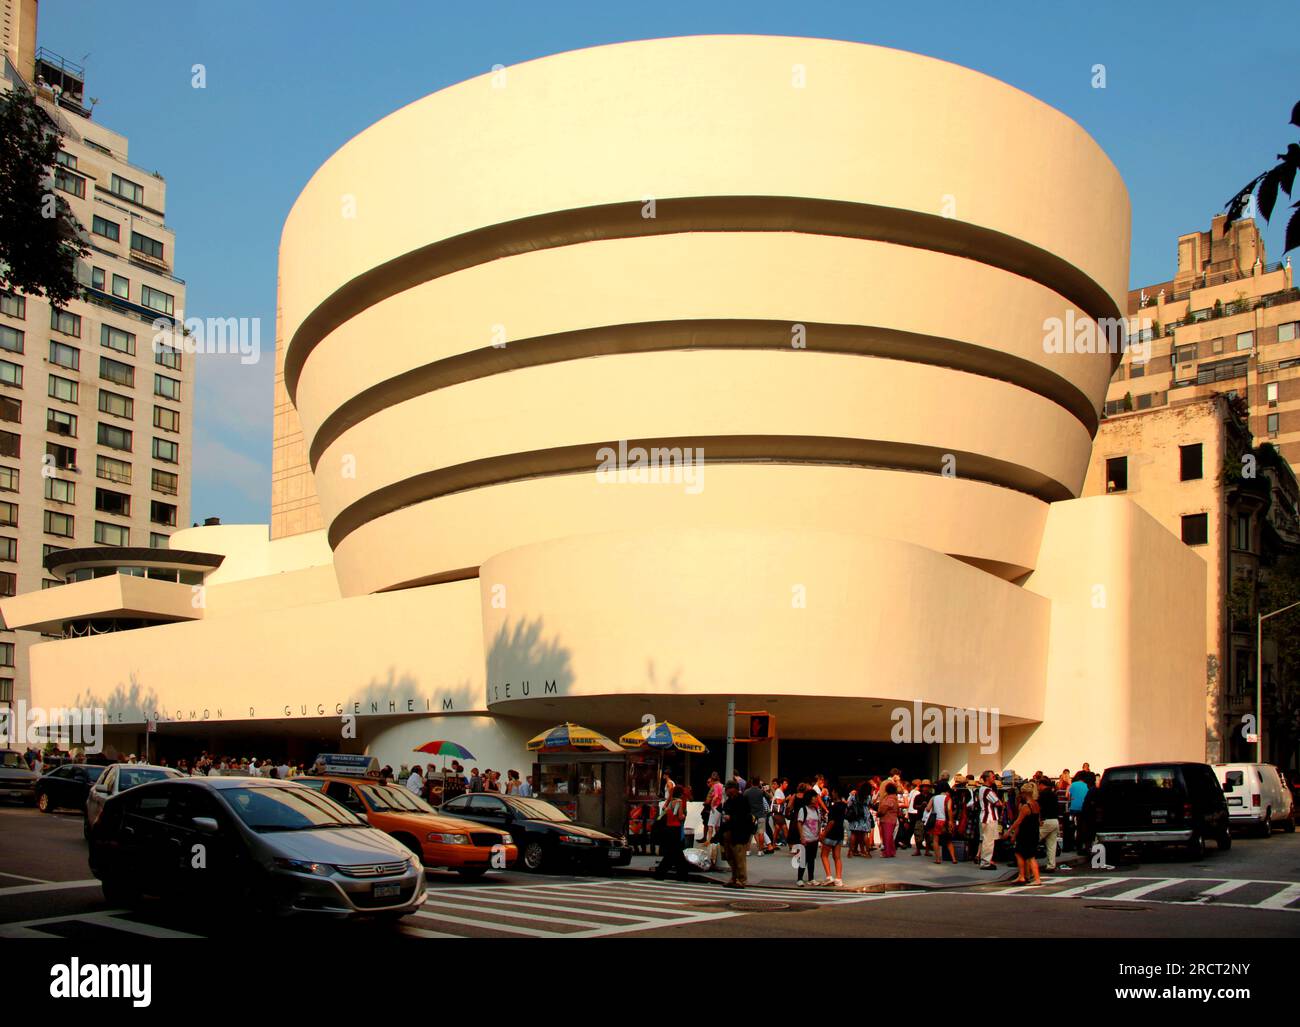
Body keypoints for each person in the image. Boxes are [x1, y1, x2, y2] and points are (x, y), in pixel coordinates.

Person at [718, 781, 753, 888]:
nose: (726, 791)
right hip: (728, 832)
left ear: (734, 789)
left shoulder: (742, 800)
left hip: (739, 833)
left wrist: (731, 818)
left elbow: (745, 818)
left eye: (728, 789)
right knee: (729, 856)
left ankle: (741, 879)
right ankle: (734, 877)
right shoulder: (728, 801)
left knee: (739, 857)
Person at [653, 786, 691, 882]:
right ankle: (681, 875)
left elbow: (666, 813)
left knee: (672, 853)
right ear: (681, 794)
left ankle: (662, 873)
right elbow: (679, 816)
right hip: (676, 829)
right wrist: (684, 815)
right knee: (676, 853)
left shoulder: (670, 802)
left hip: (668, 829)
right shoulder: (679, 802)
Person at [1006, 782, 1042, 885]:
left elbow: (1018, 821)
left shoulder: (1026, 807)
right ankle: (1024, 876)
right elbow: (1038, 820)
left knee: (1023, 854)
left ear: (1025, 793)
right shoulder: (1036, 804)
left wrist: (1009, 831)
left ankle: (1032, 877)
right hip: (1034, 832)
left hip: (1026, 833)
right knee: (1029, 855)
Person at [792, 788, 821, 886]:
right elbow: (799, 823)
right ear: (809, 798)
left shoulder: (816, 810)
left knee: (812, 860)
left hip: (814, 839)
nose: (816, 799)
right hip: (806, 839)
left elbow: (819, 823)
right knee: (803, 860)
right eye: (814, 797)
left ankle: (811, 878)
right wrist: (802, 837)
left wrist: (819, 834)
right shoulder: (803, 810)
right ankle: (799, 879)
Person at [1036, 776, 1067, 872]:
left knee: (1032, 840)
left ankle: (1026, 862)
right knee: (1051, 845)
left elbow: (1039, 808)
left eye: (1038, 785)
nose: (1038, 787)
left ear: (1041, 785)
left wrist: (1039, 819)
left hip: (1046, 821)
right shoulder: (1054, 794)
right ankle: (1051, 865)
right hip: (1055, 820)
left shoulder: (1042, 795)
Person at [819, 787, 847, 886]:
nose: (832, 793)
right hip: (840, 832)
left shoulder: (834, 807)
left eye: (833, 791)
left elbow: (831, 822)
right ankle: (839, 878)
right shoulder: (844, 805)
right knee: (837, 857)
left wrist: (823, 833)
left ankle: (829, 876)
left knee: (824, 855)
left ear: (836, 793)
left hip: (831, 833)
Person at [977, 770, 1003, 869]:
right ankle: (985, 862)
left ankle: (985, 860)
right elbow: (998, 803)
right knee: (989, 841)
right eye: (992, 777)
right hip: (989, 818)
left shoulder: (981, 789)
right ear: (987, 778)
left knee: (986, 840)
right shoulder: (988, 790)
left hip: (984, 817)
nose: (994, 778)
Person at [929, 781, 957, 865]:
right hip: (945, 821)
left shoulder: (934, 798)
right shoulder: (948, 798)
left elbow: (928, 808)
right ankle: (954, 858)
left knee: (935, 840)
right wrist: (951, 821)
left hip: (936, 820)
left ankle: (938, 859)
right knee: (948, 840)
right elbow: (949, 809)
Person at [744, 777, 769, 855]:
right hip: (761, 815)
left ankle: (747, 851)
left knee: (749, 834)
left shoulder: (746, 792)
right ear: (758, 783)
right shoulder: (761, 791)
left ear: (751, 782)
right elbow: (770, 797)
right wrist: (763, 789)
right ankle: (760, 851)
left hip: (750, 816)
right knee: (761, 833)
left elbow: (743, 801)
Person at [846, 781, 871, 857]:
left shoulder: (853, 795)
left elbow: (848, 804)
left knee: (853, 833)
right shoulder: (868, 796)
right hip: (865, 815)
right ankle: (867, 853)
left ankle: (850, 852)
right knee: (865, 834)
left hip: (855, 815)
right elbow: (870, 803)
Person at [1068, 771, 1090, 852]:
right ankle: (1079, 845)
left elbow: (1068, 796)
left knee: (1071, 826)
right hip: (1082, 809)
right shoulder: (1087, 786)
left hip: (1073, 808)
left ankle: (1071, 843)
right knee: (1081, 827)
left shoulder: (1073, 784)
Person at [878, 781, 900, 857]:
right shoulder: (895, 798)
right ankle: (891, 851)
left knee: (886, 837)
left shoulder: (889, 799)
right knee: (890, 837)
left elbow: (884, 809)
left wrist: (879, 813)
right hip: (892, 819)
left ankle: (887, 853)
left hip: (887, 819)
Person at [703, 772, 725, 844]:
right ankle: (718, 840)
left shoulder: (715, 786)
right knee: (717, 825)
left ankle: (708, 841)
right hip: (720, 807)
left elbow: (716, 796)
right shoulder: (722, 785)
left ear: (712, 780)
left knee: (710, 825)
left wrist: (712, 805)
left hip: (715, 807)